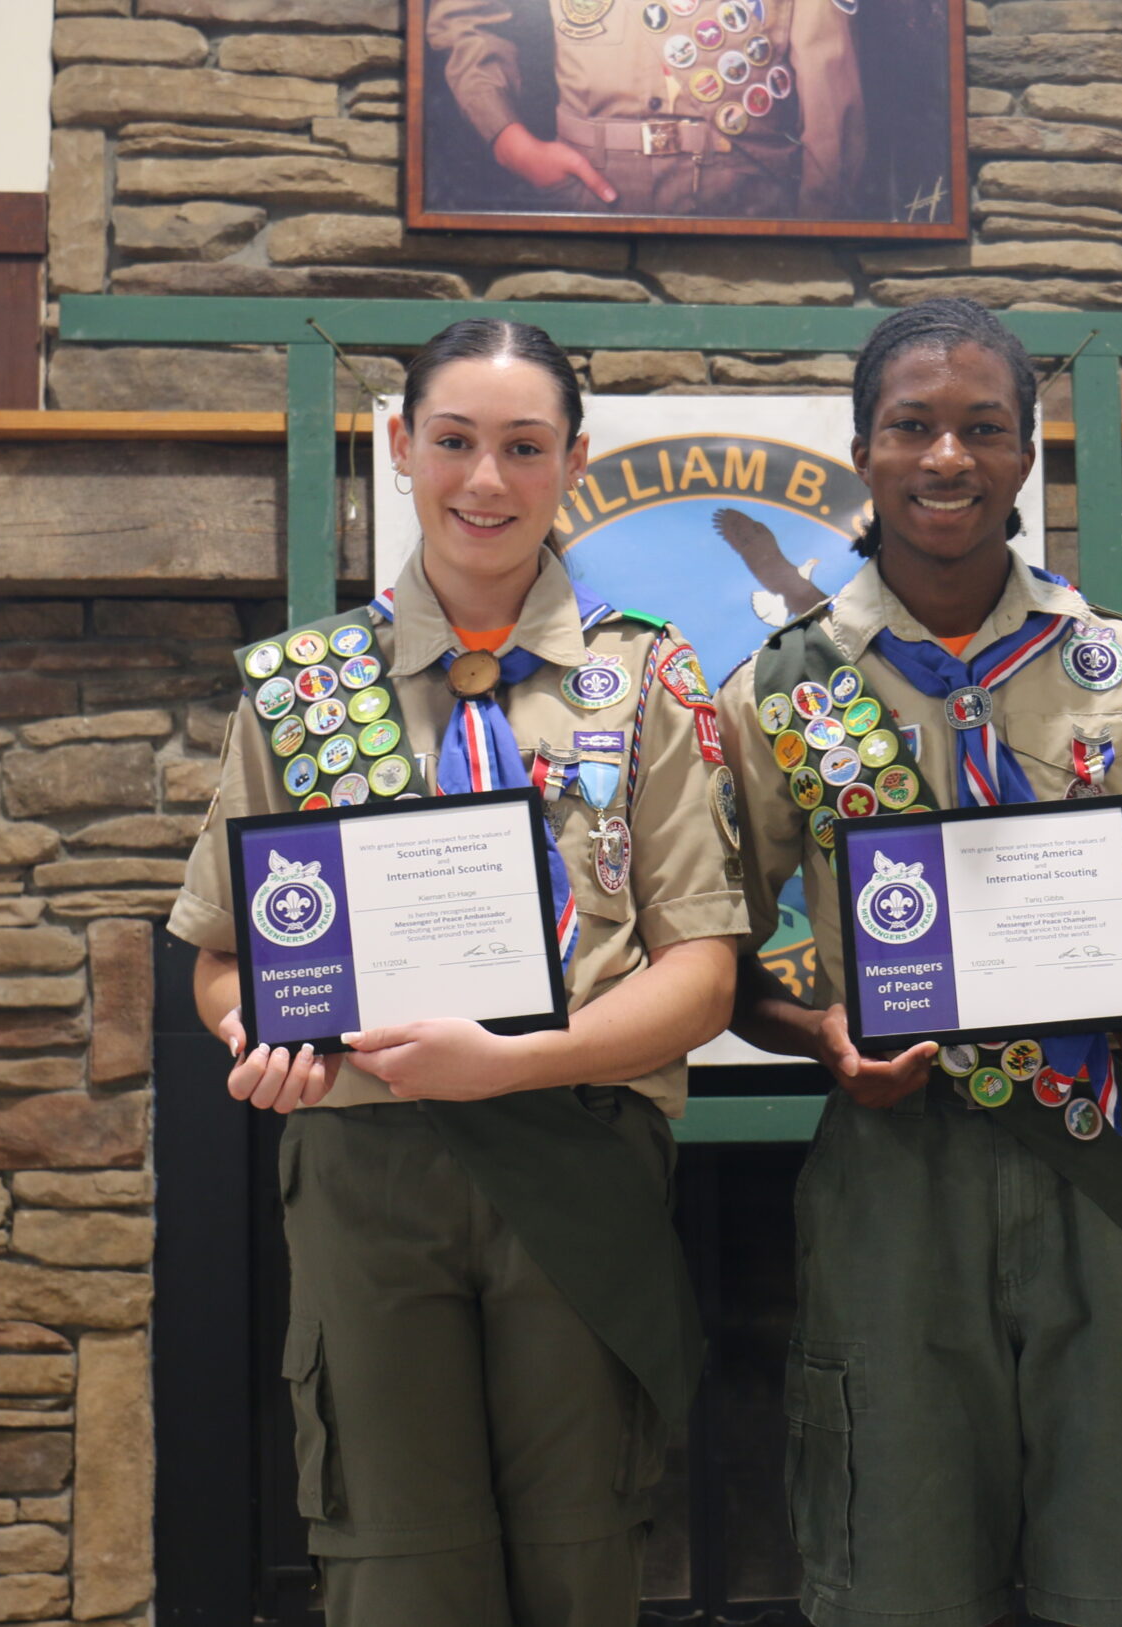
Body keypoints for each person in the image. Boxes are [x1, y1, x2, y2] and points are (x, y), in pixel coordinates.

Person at [169, 319, 748, 1627]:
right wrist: (251, 1028)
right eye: (456, 441)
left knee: (579, 1561)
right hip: (366, 1162)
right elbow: (223, 958)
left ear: (572, 462)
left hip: (579, 1153)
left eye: (524, 447)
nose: (487, 479)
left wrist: (520, 1058)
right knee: (399, 1569)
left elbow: (704, 971)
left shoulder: (646, 676)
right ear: (401, 447)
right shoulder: (307, 690)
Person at [717, 298, 1122, 1627]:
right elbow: (712, 950)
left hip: (1104, 1151)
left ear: (1026, 454)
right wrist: (820, 1035)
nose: (946, 456)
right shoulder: (782, 688)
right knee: (897, 1569)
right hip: (898, 1163)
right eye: (912, 426)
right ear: (864, 448)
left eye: (982, 427)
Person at [426, 0, 866, 218]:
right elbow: (467, 8)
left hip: (754, 189)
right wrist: (510, 143)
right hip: (592, 187)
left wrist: (820, 225)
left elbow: (827, 69)